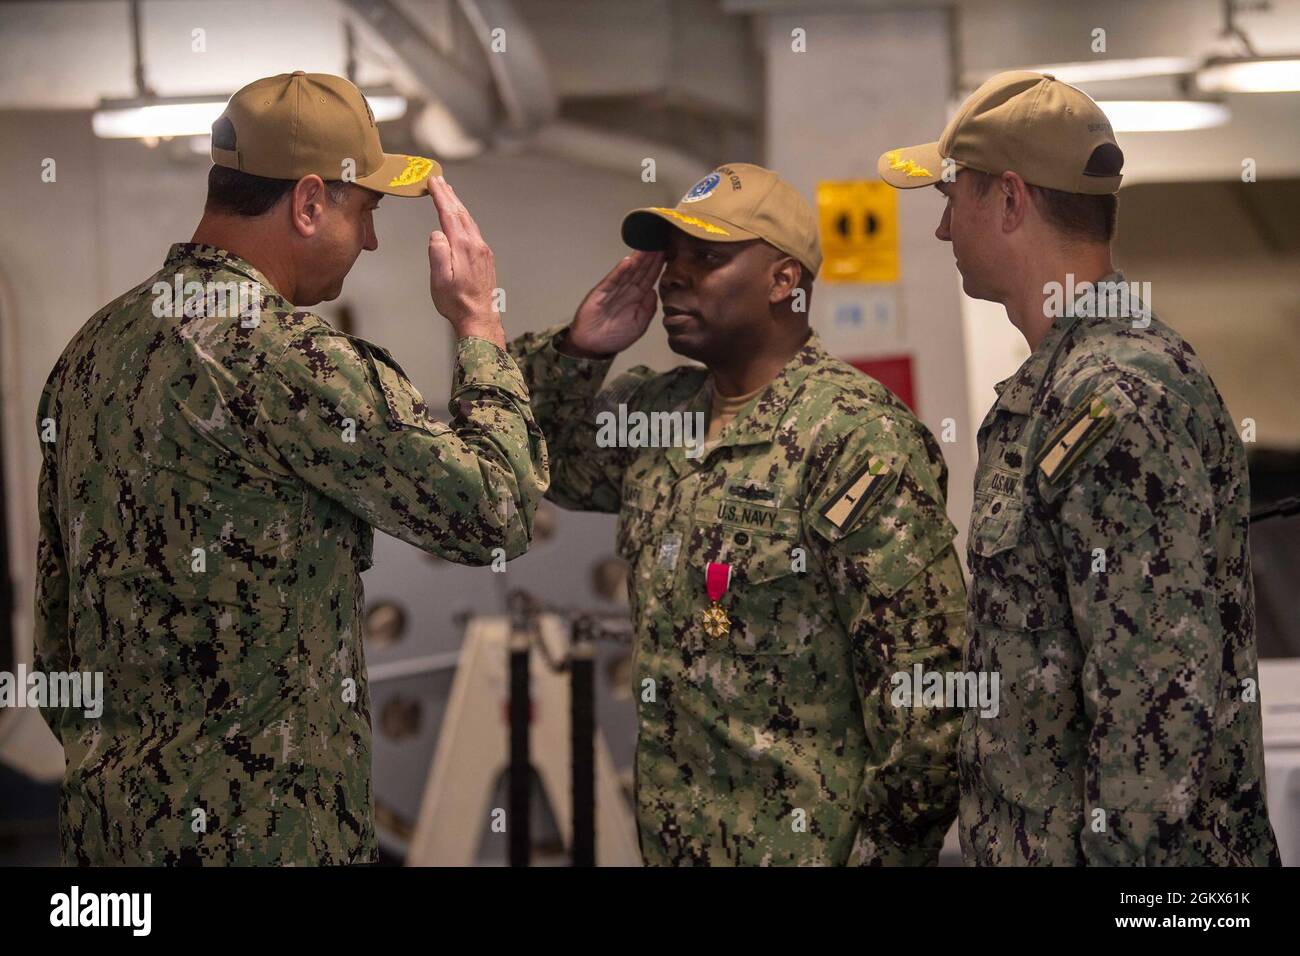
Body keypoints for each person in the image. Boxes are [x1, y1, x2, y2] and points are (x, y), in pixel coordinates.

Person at [32, 72, 546, 865]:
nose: (370, 241)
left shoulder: (93, 352)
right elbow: (497, 512)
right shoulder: (288, 359)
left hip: (110, 848)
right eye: (365, 211)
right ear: (309, 202)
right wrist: (478, 323)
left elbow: (57, 640)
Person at [511, 163, 966, 865]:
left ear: (785, 280)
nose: (673, 277)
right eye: (672, 257)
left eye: (708, 257)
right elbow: (525, 454)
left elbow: (928, 703)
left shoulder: (852, 436)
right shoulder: (659, 415)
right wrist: (580, 349)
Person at [879, 70, 1280, 865]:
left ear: (1010, 200)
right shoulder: (1061, 387)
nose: (940, 230)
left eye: (950, 195)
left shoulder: (1114, 399)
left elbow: (1155, 700)